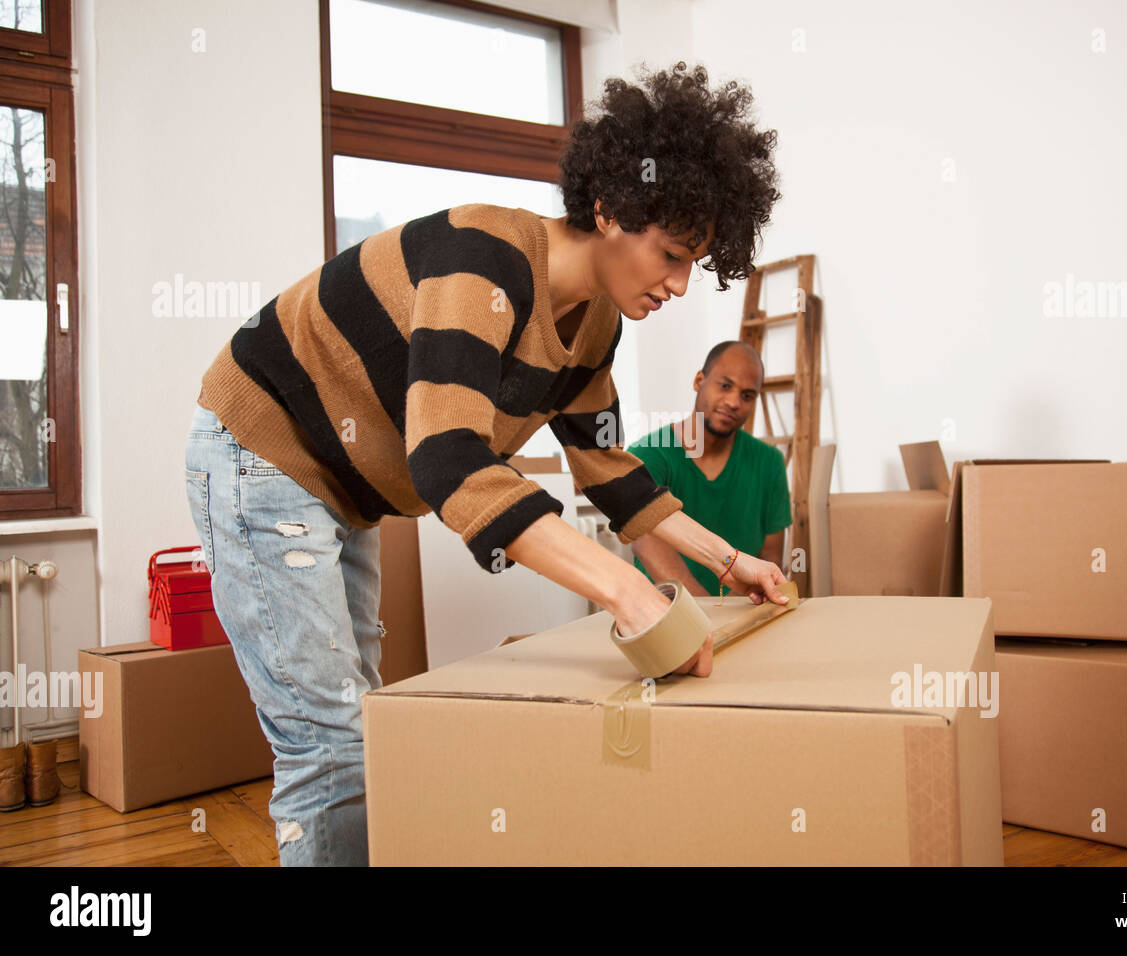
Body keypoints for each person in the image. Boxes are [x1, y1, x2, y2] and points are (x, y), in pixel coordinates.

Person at [183, 62, 785, 866]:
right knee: (327, 744)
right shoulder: (483, 257)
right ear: (609, 208)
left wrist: (731, 558)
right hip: (262, 450)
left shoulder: (598, 325)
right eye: (671, 254)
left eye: (693, 263)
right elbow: (451, 463)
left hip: (348, 486)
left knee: (358, 725)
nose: (679, 283)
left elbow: (610, 470)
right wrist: (627, 591)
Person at [628, 341, 791, 597]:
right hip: (666, 615)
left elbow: (770, 556)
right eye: (725, 386)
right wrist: (708, 618)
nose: (734, 402)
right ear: (698, 381)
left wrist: (741, 616)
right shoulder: (647, 454)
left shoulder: (769, 462)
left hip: (741, 617)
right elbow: (645, 541)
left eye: (747, 395)